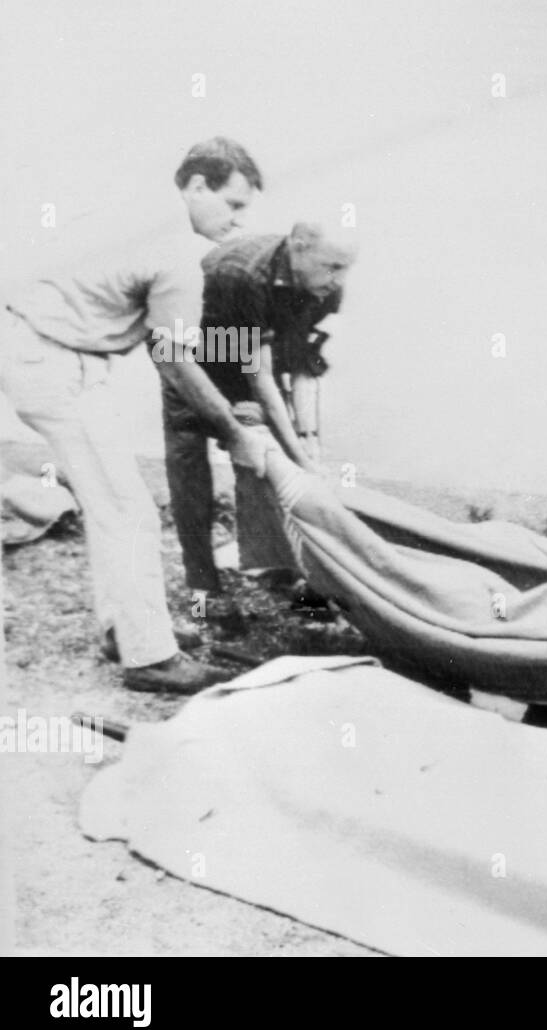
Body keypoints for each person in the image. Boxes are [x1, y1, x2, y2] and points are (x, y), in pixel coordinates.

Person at [0, 137, 267, 692]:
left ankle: (126, 628)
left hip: (45, 346)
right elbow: (176, 363)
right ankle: (150, 659)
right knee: (128, 510)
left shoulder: (139, 213)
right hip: (50, 357)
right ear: (196, 185)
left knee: (111, 503)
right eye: (233, 204)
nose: (238, 222)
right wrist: (233, 429)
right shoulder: (175, 255)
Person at [163, 219, 357, 628]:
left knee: (264, 460)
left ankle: (284, 573)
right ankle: (204, 589)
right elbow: (258, 377)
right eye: (333, 266)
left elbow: (302, 367)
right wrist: (300, 455)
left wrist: (308, 439)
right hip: (197, 351)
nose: (339, 279)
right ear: (299, 247)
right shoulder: (242, 275)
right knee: (189, 465)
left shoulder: (324, 282)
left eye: (345, 268)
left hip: (252, 353)